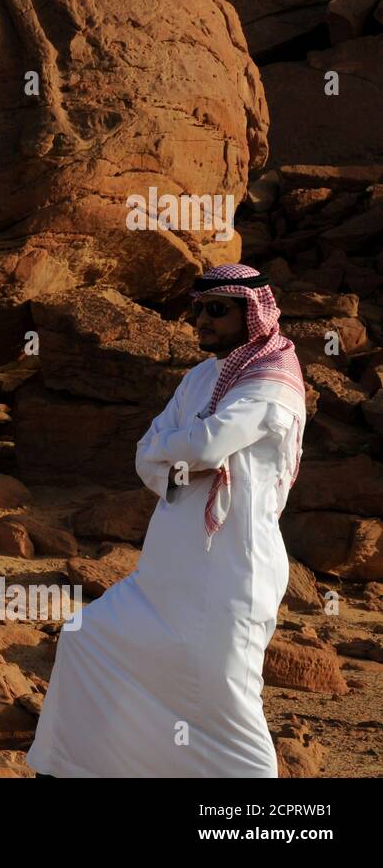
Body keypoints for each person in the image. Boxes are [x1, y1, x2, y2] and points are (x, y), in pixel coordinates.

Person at [26, 263, 306, 777]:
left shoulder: (273, 380)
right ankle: (71, 768)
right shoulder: (199, 377)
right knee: (90, 639)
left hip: (232, 567)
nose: (201, 319)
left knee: (226, 698)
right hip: (167, 569)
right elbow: (146, 454)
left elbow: (207, 442)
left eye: (216, 310)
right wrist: (183, 457)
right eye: (197, 309)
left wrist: (178, 450)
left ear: (252, 313)